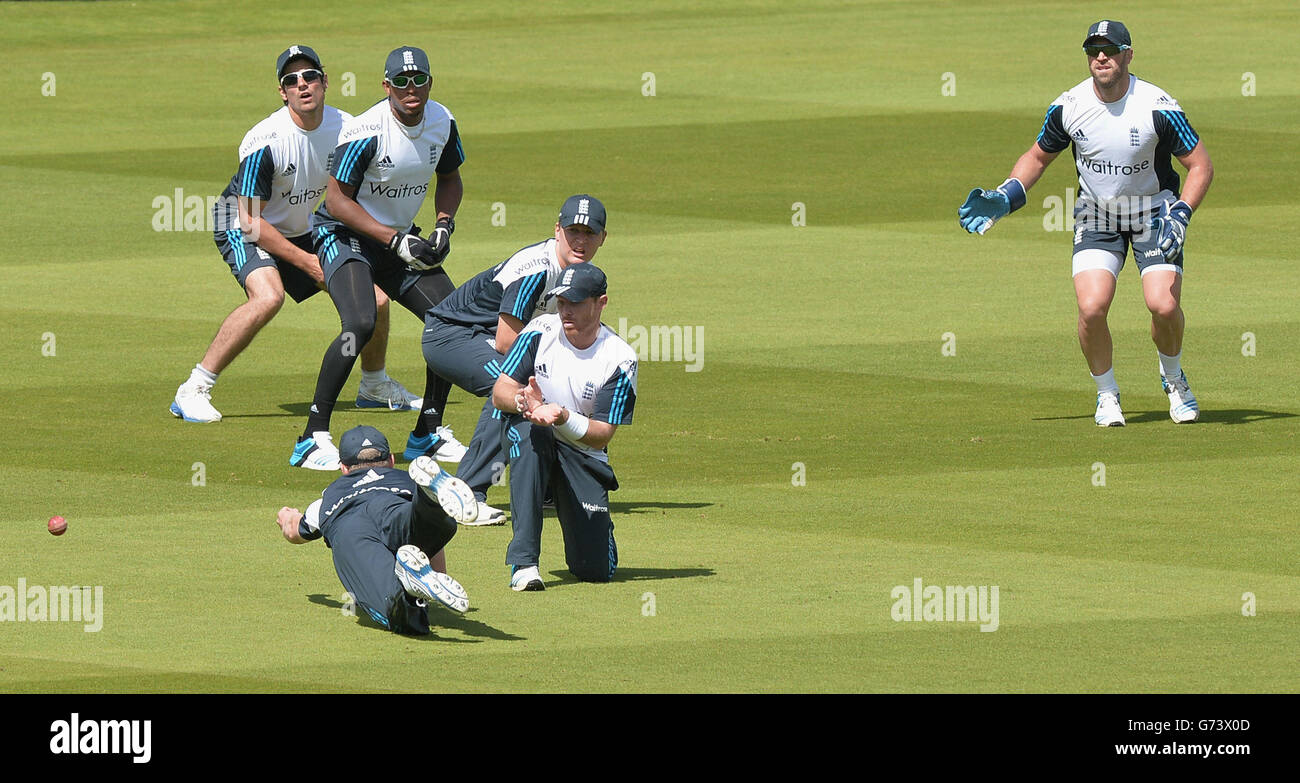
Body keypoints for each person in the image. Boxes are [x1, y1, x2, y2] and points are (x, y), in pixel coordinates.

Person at [958, 20, 1213, 426]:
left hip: (1154, 214)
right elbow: (1038, 157)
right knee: (1092, 307)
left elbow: (1200, 166)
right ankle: (1107, 395)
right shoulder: (1070, 106)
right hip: (1097, 215)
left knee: (1163, 305)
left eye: (1110, 50)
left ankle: (1173, 378)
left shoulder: (1159, 106)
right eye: (1094, 51)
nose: (1101, 58)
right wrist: (1006, 195)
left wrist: (1181, 214)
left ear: (1128, 55)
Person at [170, 45, 422, 424]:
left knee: (378, 300)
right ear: (282, 92)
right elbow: (252, 221)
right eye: (292, 80)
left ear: (325, 83)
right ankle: (194, 388)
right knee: (269, 296)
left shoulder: (348, 128)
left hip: (307, 225)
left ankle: (374, 385)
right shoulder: (265, 141)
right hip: (242, 221)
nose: (302, 85)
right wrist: (306, 262)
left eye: (310, 77)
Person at [293, 45, 468, 471]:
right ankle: (311, 436)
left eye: (419, 80)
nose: (412, 89)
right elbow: (336, 201)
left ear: (430, 82)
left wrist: (443, 223)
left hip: (397, 239)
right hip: (344, 235)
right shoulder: (366, 131)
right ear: (386, 86)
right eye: (402, 82)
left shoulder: (442, 121)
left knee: (453, 322)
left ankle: (426, 433)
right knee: (360, 322)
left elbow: (450, 177)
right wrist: (394, 240)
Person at [423, 194, 608, 526]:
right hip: (451, 336)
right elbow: (509, 340)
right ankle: (467, 492)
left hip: (484, 338)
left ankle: (550, 482)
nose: (580, 241)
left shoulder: (584, 276)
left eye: (589, 233)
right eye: (573, 231)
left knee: (551, 385)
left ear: (602, 238)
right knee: (513, 387)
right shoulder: (538, 269)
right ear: (557, 231)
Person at [490, 264, 638, 591]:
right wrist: (524, 404)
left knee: (595, 570)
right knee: (531, 434)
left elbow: (602, 434)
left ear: (601, 303)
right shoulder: (539, 330)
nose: (565, 310)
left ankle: (596, 530)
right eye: (561, 301)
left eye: (575, 302)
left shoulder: (619, 358)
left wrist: (561, 417)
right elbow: (501, 390)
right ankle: (525, 563)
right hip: (533, 432)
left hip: (582, 451)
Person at [274, 425, 478, 635]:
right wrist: (437, 574)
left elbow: (294, 530)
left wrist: (286, 515)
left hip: (351, 526)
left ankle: (407, 594)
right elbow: (430, 544)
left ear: (343, 468)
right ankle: (431, 503)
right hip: (396, 505)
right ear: (390, 460)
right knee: (424, 520)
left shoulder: (328, 498)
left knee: (395, 608)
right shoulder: (404, 478)